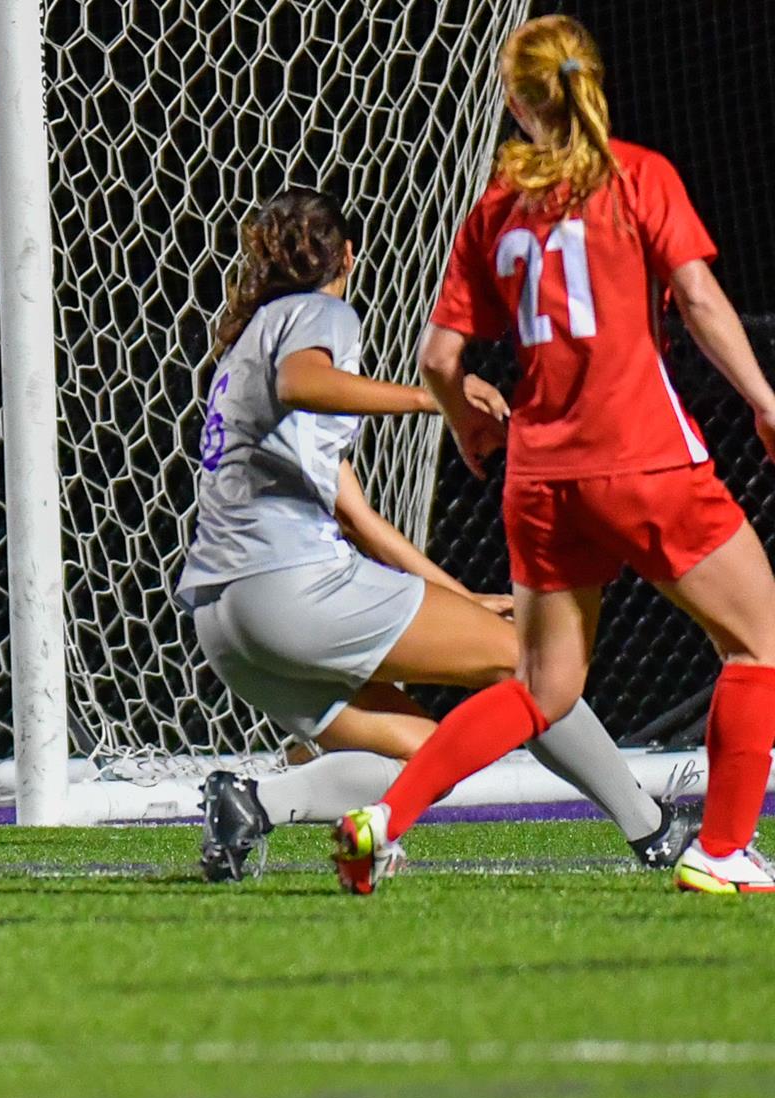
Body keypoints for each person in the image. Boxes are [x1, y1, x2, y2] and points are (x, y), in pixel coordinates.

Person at [335, 15, 775, 894]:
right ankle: (724, 849)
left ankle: (383, 818)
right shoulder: (635, 176)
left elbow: (437, 359)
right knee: (759, 639)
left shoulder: (496, 209)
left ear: (514, 101)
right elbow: (697, 297)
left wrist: (465, 424)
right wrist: (765, 400)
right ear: (591, 82)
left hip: (542, 481)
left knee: (542, 686)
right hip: (644, 460)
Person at [181, 188, 694, 883]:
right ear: (350, 257)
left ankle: (251, 801)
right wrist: (438, 398)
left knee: (426, 758)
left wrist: (464, 600)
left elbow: (360, 517)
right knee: (533, 669)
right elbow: (305, 381)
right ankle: (653, 828)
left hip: (225, 619)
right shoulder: (318, 313)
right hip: (292, 581)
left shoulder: (246, 346)